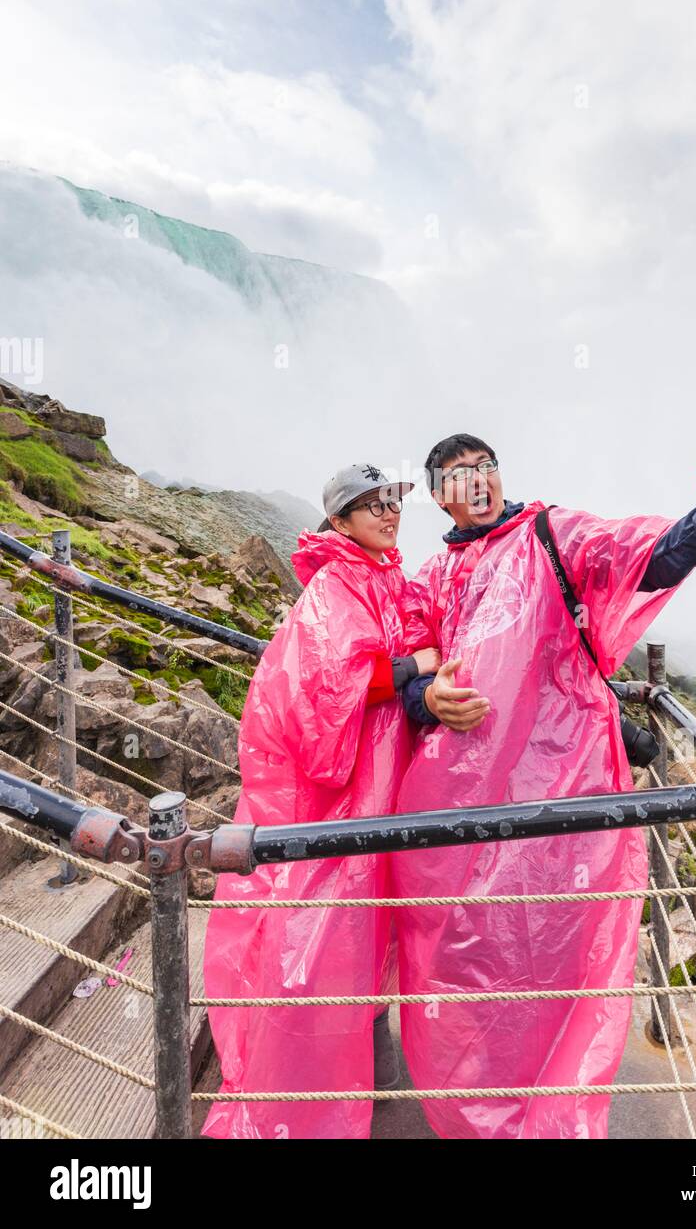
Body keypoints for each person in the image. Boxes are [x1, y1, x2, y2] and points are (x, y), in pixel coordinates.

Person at [394, 431, 696, 1139]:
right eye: (454, 473)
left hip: (561, 792)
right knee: (466, 958)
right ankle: (478, 1114)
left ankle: (548, 1116)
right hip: (458, 805)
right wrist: (430, 702)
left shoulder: (552, 535)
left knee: (556, 951)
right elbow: (409, 679)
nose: (474, 479)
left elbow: (650, 556)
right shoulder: (430, 580)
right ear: (438, 494)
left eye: (484, 466)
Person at [202, 463, 440, 1139]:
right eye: (371, 508)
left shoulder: (379, 578)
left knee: (359, 921)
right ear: (339, 522)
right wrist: (414, 669)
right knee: (328, 921)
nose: (388, 516)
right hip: (336, 795)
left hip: (370, 784)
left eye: (391, 503)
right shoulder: (338, 586)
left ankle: (361, 1063)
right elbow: (334, 685)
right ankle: (312, 1074)